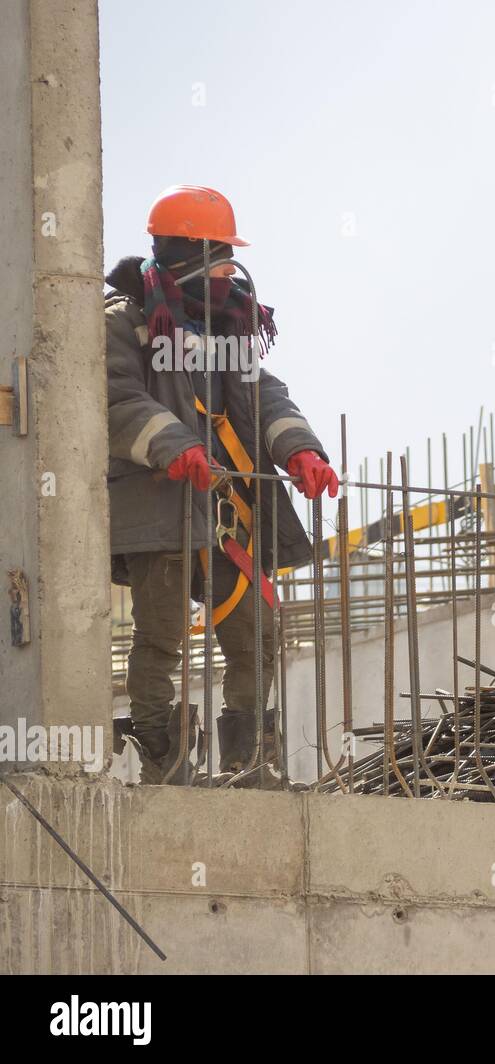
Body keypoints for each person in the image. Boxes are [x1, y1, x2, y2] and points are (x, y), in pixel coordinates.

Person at [105, 184, 338, 785]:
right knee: (159, 638)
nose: (233, 272)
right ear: (189, 257)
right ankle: (165, 757)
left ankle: (247, 762)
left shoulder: (227, 325)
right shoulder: (124, 323)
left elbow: (265, 398)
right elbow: (114, 398)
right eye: (223, 258)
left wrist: (301, 449)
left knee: (257, 633)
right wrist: (173, 446)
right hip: (159, 511)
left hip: (226, 514)